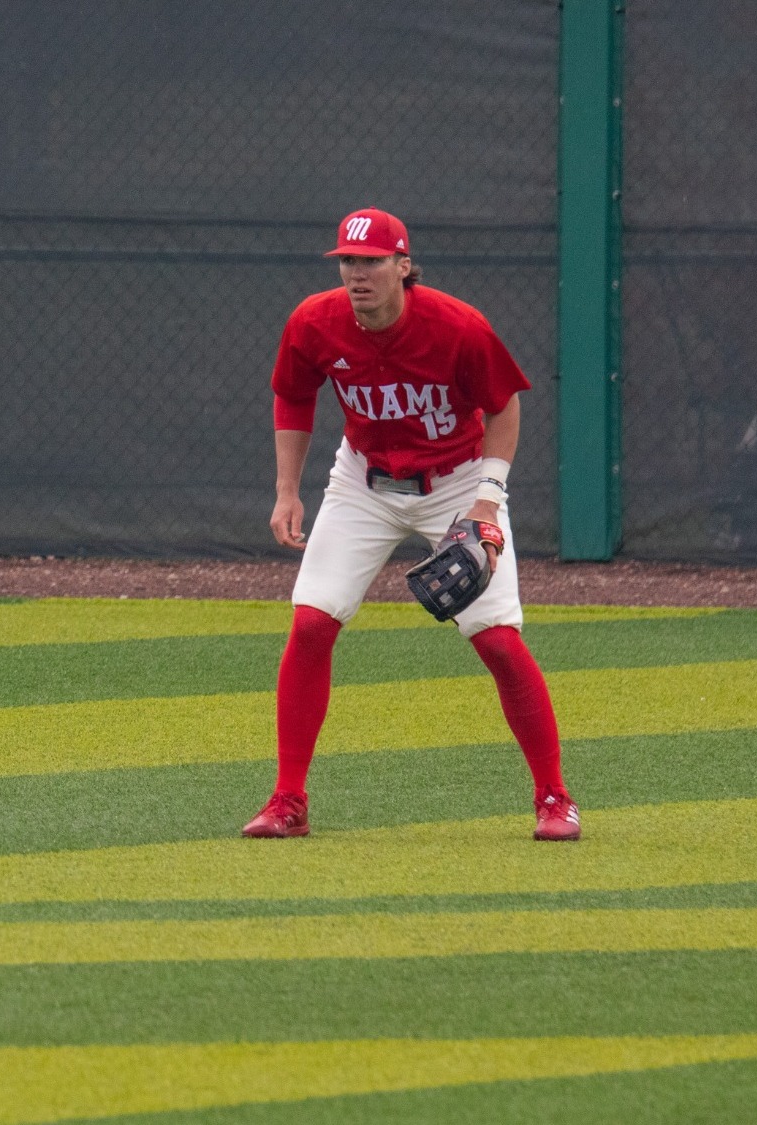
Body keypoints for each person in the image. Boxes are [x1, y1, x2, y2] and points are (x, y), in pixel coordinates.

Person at [241, 207, 580, 842]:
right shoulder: (315, 320)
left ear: (403, 265)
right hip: (362, 482)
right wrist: (287, 491)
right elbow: (292, 393)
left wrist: (487, 501)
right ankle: (288, 800)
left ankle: (555, 797)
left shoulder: (457, 326)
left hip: (457, 482)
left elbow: (503, 408)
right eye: (347, 260)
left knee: (497, 641)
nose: (356, 273)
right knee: (312, 622)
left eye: (370, 262)